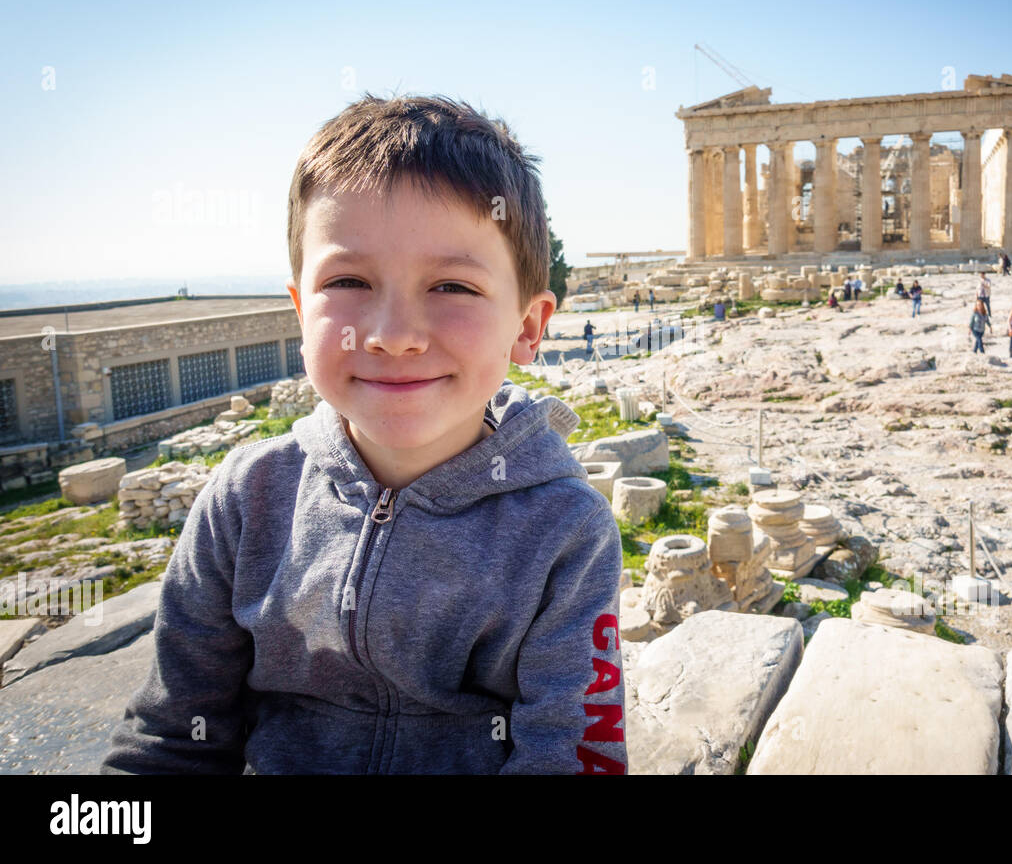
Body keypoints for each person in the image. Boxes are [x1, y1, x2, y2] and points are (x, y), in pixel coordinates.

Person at [100, 94, 627, 775]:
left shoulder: (565, 533)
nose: (393, 336)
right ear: (299, 311)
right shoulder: (245, 500)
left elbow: (572, 758)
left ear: (527, 326)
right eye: (349, 280)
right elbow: (169, 740)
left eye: (453, 287)